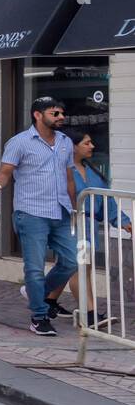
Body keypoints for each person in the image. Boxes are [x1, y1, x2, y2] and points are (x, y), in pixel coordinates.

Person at [0, 96, 78, 336]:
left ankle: (37, 290)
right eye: (55, 113)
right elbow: (5, 172)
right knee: (34, 268)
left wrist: (75, 209)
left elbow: (68, 178)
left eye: (62, 113)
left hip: (62, 212)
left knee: (72, 261)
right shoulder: (20, 142)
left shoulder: (65, 142)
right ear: (38, 114)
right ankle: (39, 316)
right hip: (31, 213)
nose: (61, 117)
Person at [63, 131, 132, 326]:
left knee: (85, 269)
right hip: (71, 227)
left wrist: (122, 220)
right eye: (87, 143)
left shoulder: (92, 172)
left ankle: (47, 299)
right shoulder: (62, 170)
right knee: (79, 269)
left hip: (90, 228)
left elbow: (106, 200)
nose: (92, 146)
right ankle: (90, 315)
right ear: (74, 146)